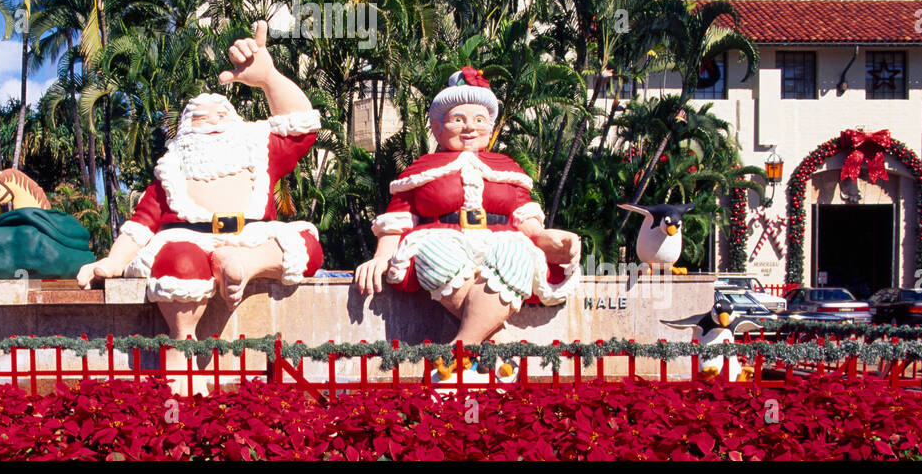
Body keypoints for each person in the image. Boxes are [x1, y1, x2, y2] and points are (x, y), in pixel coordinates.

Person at [76, 21, 323, 388]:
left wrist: (268, 76)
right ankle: (182, 348)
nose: (211, 125)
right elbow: (141, 223)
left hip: (252, 239)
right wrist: (113, 261)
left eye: (220, 116)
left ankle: (241, 266)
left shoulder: (258, 148)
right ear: (185, 131)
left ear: (236, 122)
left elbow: (301, 127)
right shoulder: (171, 170)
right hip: (190, 239)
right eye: (200, 119)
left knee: (308, 247)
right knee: (180, 262)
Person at [354, 68, 581, 378]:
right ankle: (494, 348)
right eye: (458, 119)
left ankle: (458, 351)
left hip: (501, 238)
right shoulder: (421, 170)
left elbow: (525, 218)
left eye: (478, 120)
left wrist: (549, 239)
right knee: (435, 254)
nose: (469, 128)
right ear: (437, 127)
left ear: (490, 127)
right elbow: (398, 218)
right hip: (440, 238)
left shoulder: (507, 168)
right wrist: (381, 257)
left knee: (515, 253)